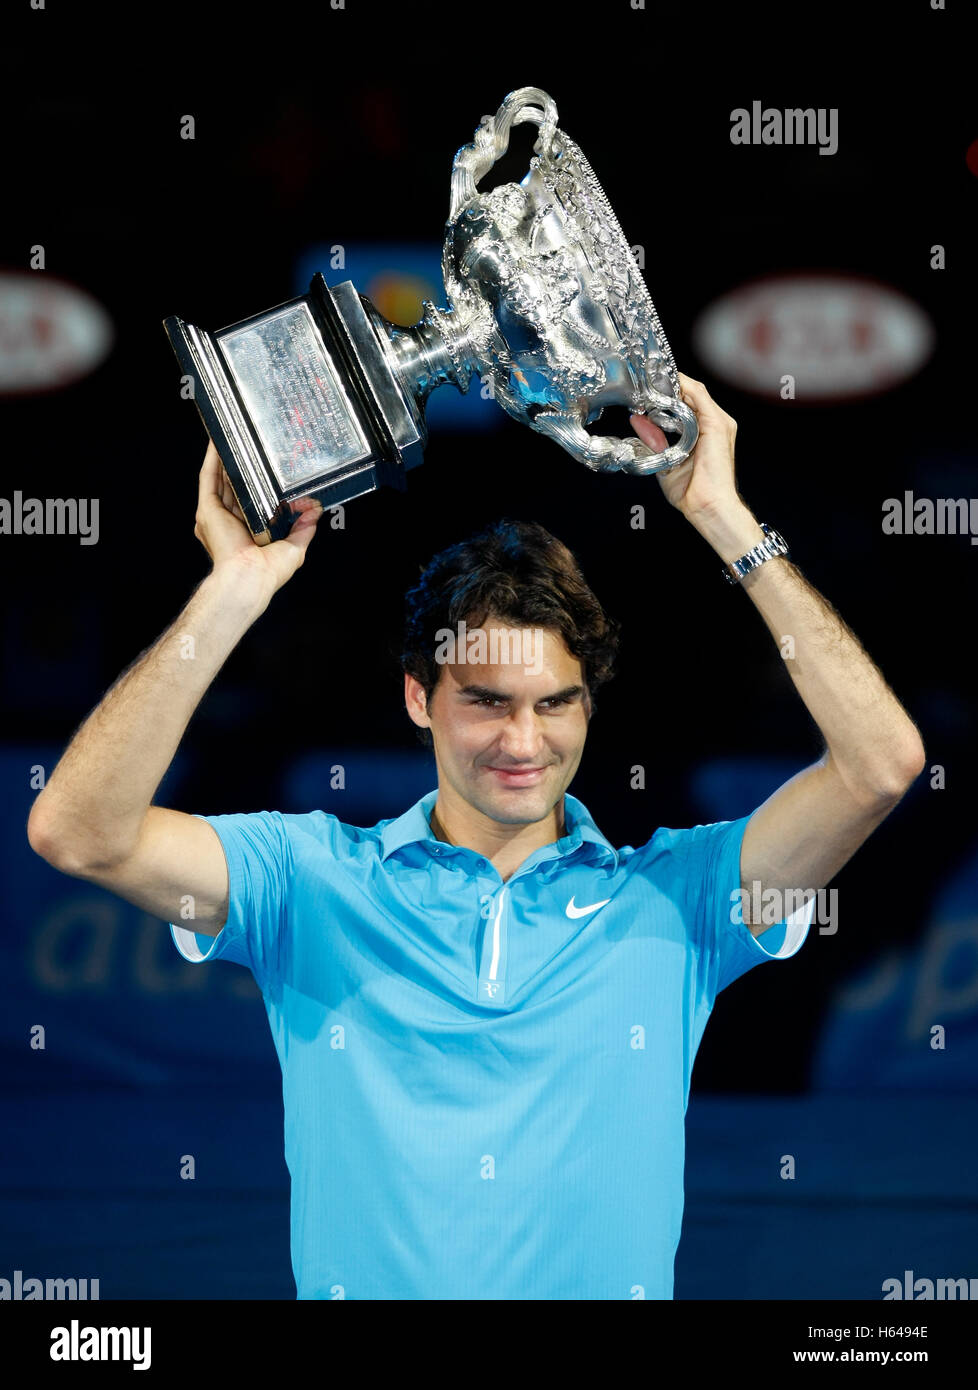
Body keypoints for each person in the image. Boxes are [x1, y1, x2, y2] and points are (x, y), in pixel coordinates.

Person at [27, 374, 925, 1299]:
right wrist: (233, 592)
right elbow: (79, 832)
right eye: (487, 703)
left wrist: (725, 517)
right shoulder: (305, 880)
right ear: (420, 697)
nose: (523, 743)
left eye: (555, 703)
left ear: (589, 705)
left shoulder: (681, 898)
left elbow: (879, 765)